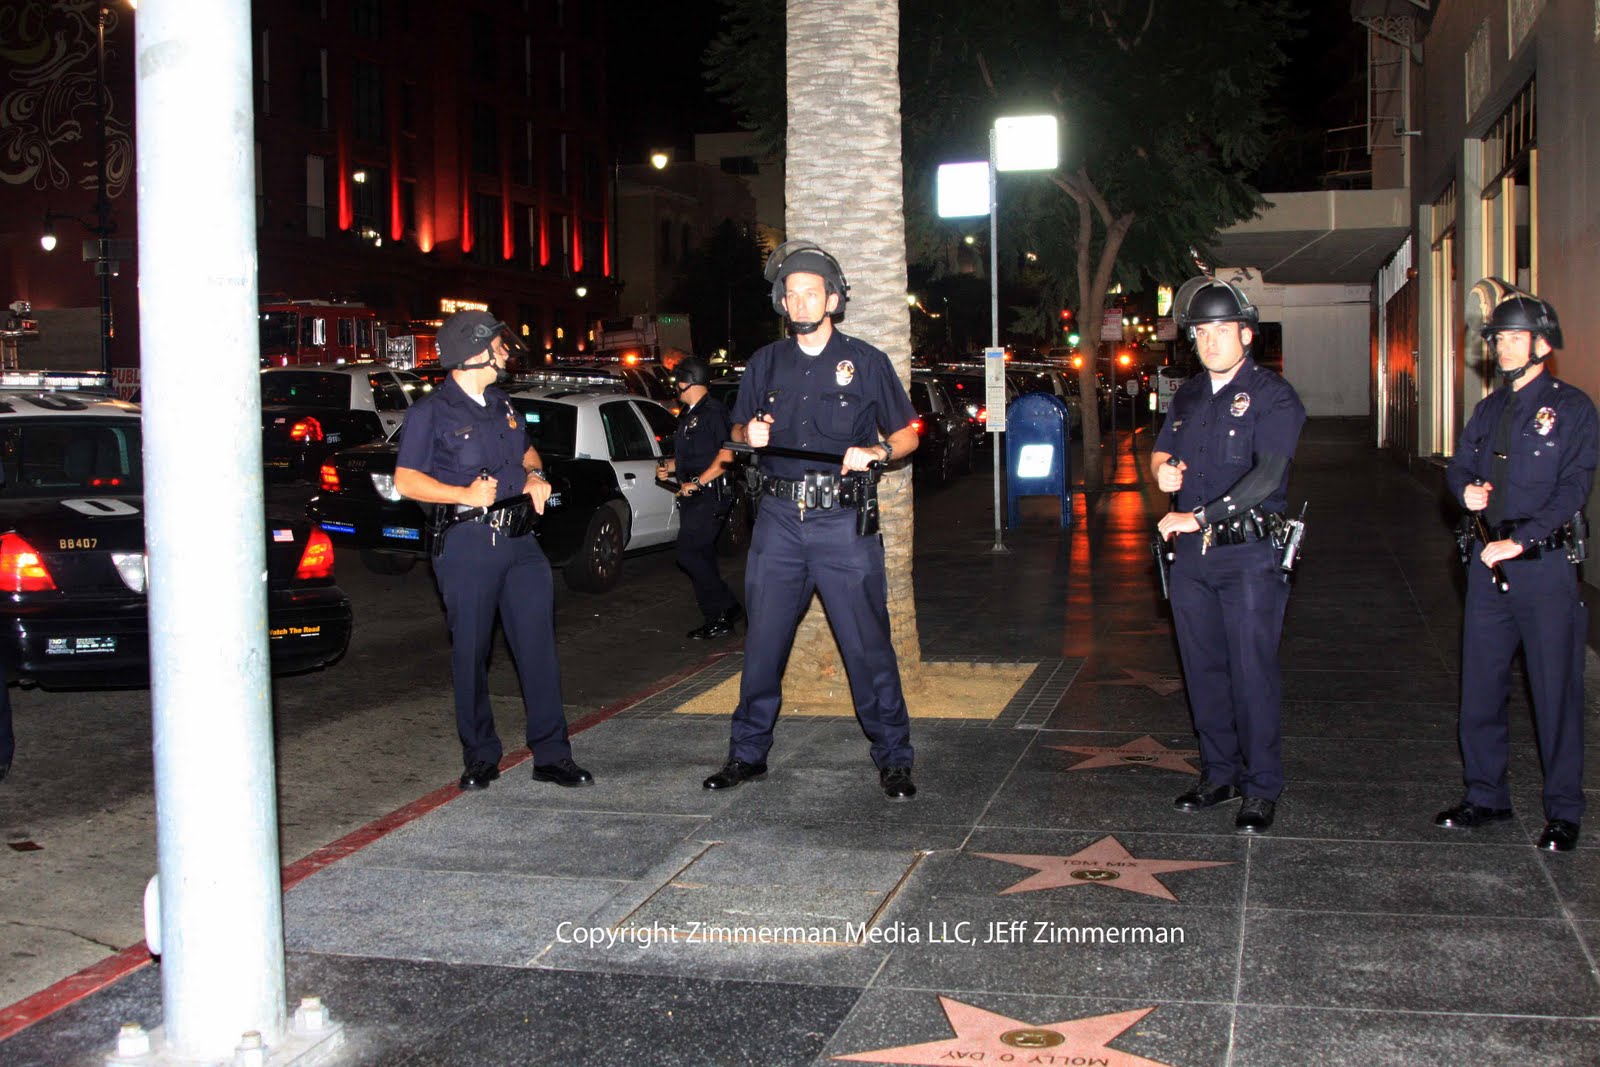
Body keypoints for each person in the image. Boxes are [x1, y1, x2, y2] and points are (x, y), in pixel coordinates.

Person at [701, 240, 922, 801]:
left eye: (810, 293)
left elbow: (907, 434)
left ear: (833, 300)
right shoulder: (764, 363)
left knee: (867, 644)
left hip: (842, 521)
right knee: (764, 644)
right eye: (790, 294)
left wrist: (877, 452)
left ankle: (894, 757)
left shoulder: (866, 362)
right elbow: (734, 433)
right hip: (777, 520)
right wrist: (746, 435)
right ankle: (747, 754)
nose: (799, 302)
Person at [394, 309, 593, 792]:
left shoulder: (502, 402)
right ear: (473, 353)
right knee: (472, 652)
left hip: (521, 541)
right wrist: (462, 494)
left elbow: (526, 450)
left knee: (538, 648)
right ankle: (481, 755)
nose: (505, 351)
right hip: (468, 543)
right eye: (498, 344)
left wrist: (534, 475)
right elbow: (405, 480)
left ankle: (551, 754)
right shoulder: (430, 413)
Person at [1435, 287, 1595, 852]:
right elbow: (1458, 466)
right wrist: (1467, 492)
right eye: (1498, 338)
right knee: (1480, 687)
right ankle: (1485, 795)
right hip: (1486, 562)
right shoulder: (1489, 409)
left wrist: (1521, 542)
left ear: (1542, 344)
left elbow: (1571, 491)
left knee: (1554, 693)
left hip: (1544, 567)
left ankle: (1564, 811)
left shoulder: (1572, 408)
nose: (1502, 346)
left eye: (1513, 337)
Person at [1153, 276, 1306, 834]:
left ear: (1246, 333)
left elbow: (1268, 475)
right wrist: (1162, 471)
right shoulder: (1190, 393)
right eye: (1201, 332)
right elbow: (1164, 450)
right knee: (1202, 668)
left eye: (1222, 330)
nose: (1210, 341)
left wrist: (1199, 515)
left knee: (1251, 671)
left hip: (1249, 556)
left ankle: (1262, 786)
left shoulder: (1273, 395)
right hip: (1191, 558)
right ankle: (1218, 774)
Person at [656, 356, 742, 639]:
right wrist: (669, 467)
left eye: (677, 381)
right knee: (700, 555)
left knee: (689, 554)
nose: (675, 387)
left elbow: (726, 455)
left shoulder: (713, 413)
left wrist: (697, 482)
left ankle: (719, 614)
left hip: (710, 496)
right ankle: (727, 607)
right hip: (694, 498)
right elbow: (696, 455)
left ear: (687, 381)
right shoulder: (690, 414)